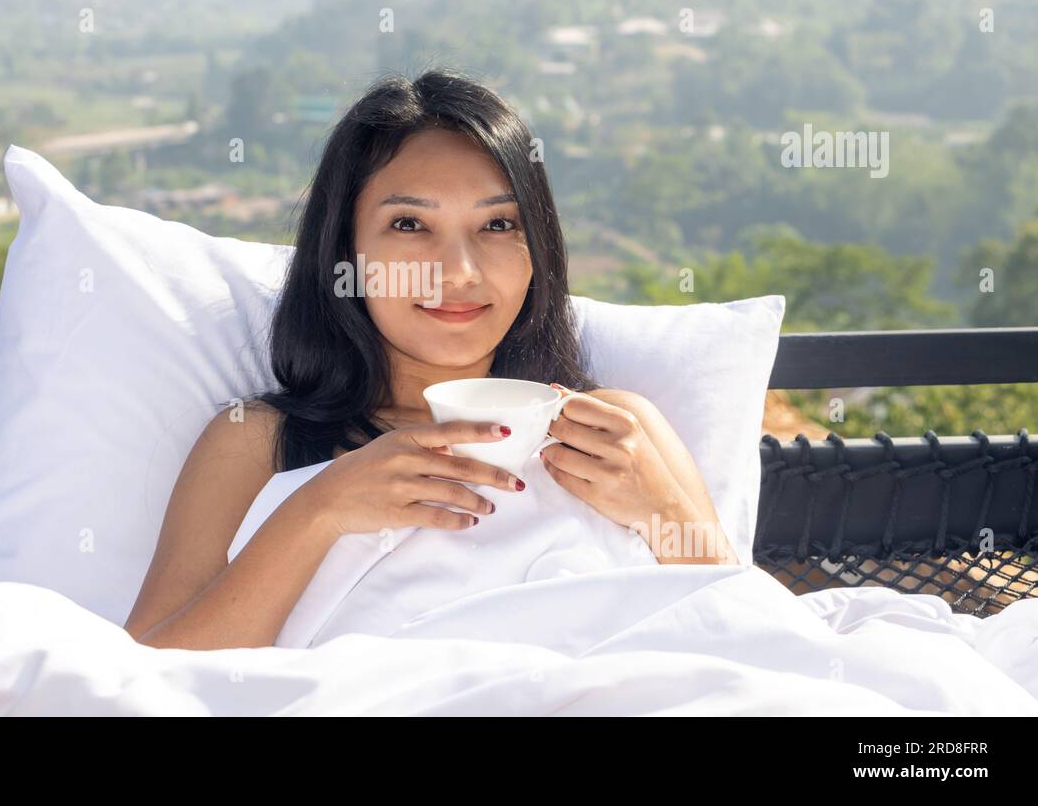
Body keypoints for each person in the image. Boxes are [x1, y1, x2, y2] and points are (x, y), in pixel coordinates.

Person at [124, 69, 737, 650]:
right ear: (347, 252)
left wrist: (662, 511)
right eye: (410, 223)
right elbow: (143, 677)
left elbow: (751, 633)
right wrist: (319, 510)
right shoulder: (258, 442)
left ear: (537, 251)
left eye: (498, 224)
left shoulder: (615, 430)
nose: (459, 272)